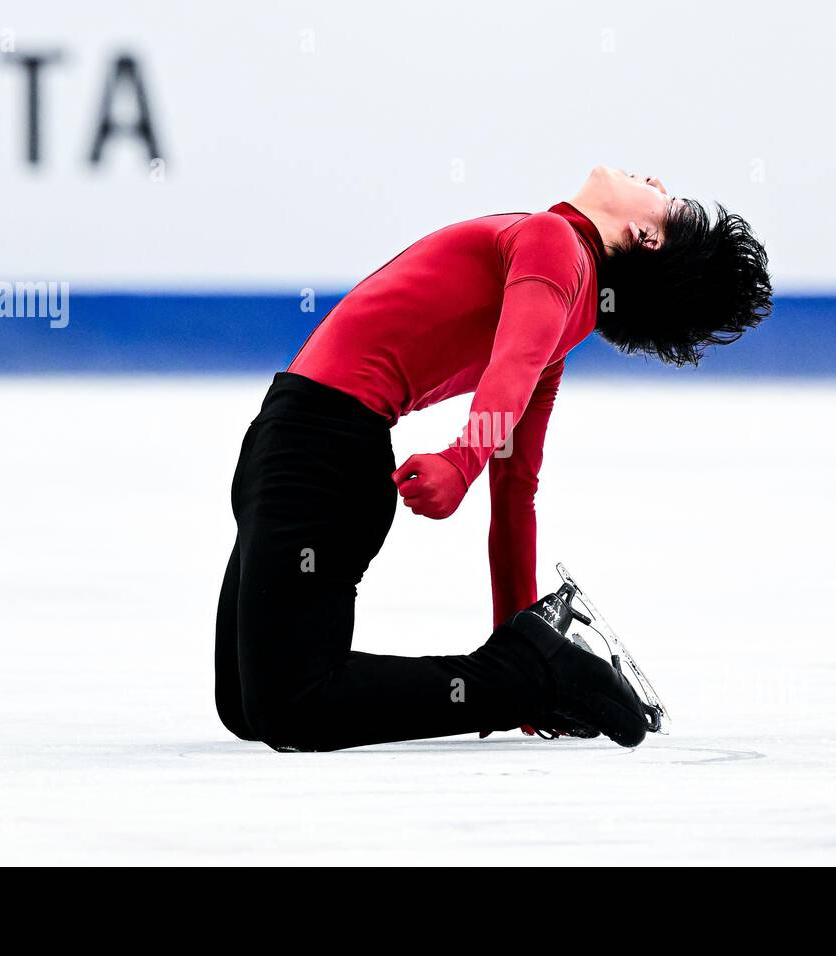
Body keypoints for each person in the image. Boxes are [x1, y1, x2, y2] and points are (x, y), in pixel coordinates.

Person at [214, 165, 772, 752]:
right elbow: (514, 499)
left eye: (669, 199)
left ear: (646, 237)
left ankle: (533, 675)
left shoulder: (555, 242)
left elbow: (508, 386)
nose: (657, 181)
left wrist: (460, 460)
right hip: (291, 444)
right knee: (245, 708)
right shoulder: (556, 320)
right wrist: (519, 630)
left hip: (321, 454)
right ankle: (534, 667)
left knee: (291, 707)